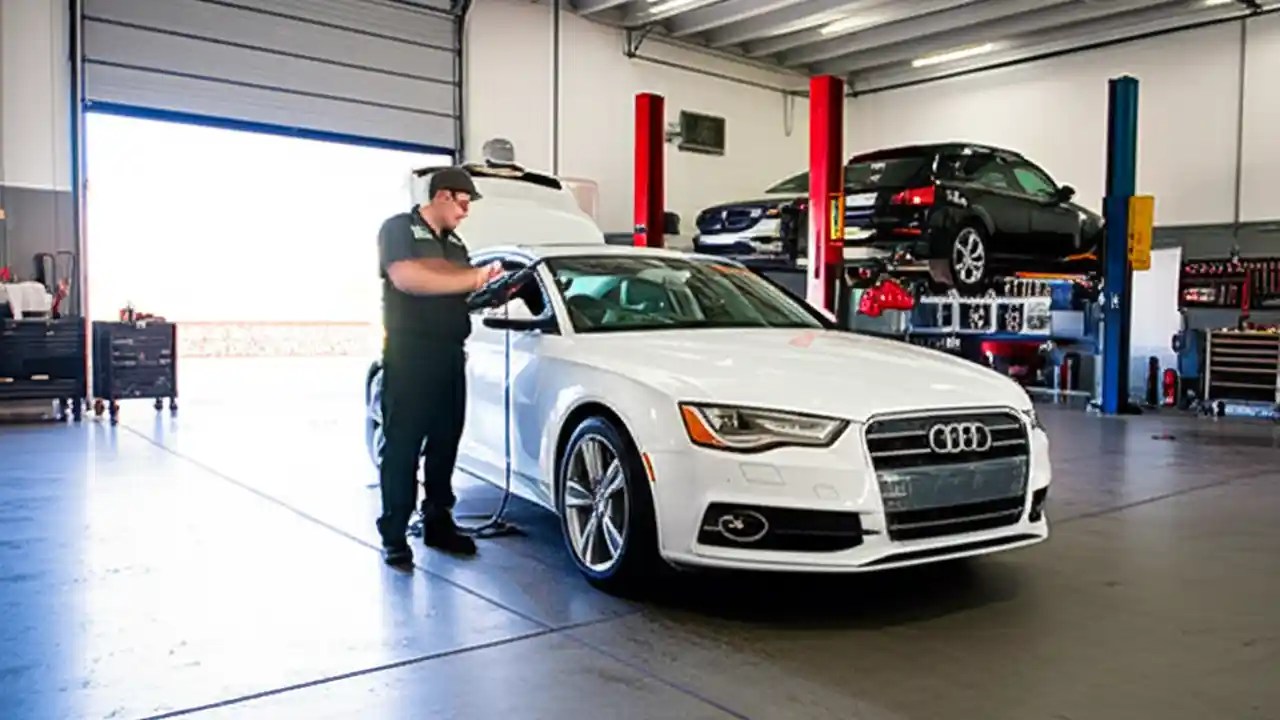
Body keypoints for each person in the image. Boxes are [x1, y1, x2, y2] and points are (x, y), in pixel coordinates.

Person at [376, 166, 502, 567]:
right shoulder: (399, 229)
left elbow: (456, 293)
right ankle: (395, 534)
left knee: (445, 443)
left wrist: (491, 288)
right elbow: (408, 278)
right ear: (444, 195)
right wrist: (472, 279)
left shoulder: (457, 246)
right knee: (404, 446)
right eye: (464, 203)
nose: (466, 212)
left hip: (450, 354)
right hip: (410, 355)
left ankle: (438, 522)